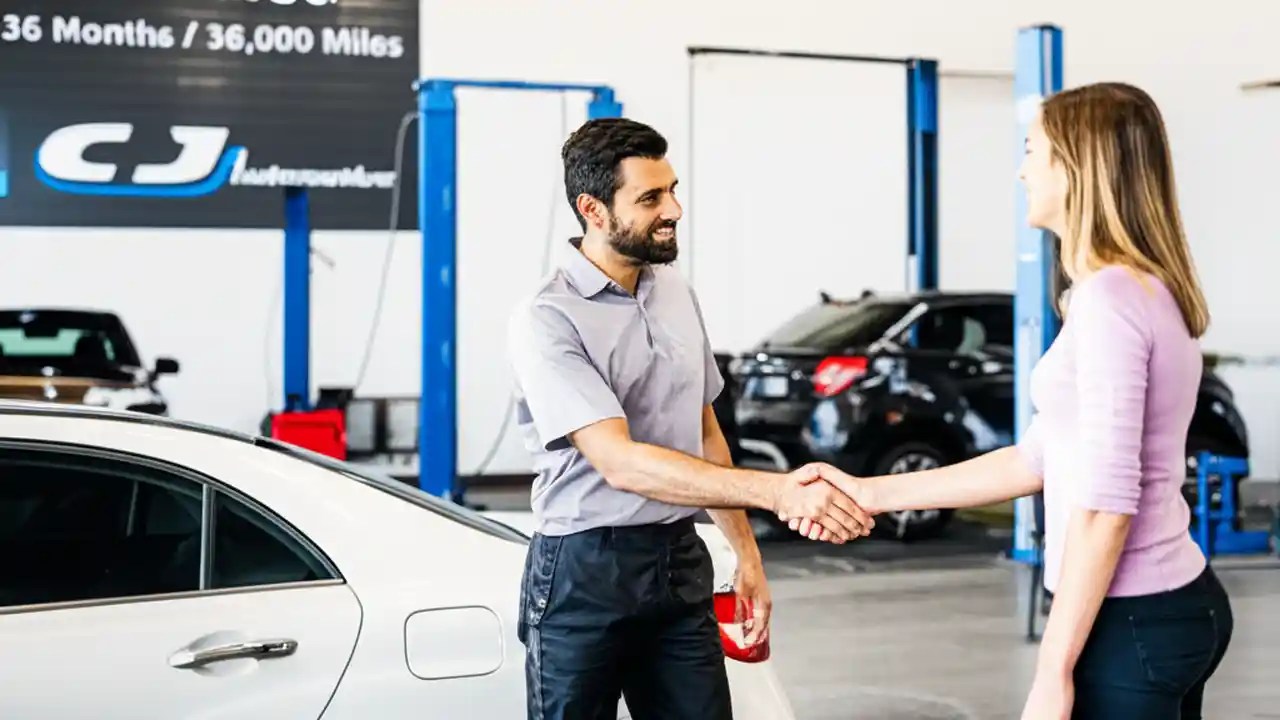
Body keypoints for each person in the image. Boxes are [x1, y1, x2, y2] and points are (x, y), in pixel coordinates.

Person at [784, 82, 1234, 719]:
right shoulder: (1141, 290)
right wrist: (870, 493)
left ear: (1077, 168)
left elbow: (1107, 505)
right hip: (1164, 605)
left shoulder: (1110, 299)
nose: (1022, 171)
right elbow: (1037, 459)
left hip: (1128, 619)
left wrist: (1052, 672)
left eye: (1031, 151)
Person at [506, 117, 874, 720]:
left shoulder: (675, 291)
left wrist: (746, 554)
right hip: (584, 569)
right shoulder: (547, 318)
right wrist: (777, 492)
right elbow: (620, 463)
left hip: (679, 557)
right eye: (650, 198)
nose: (673, 210)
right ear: (593, 210)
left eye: (673, 190)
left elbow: (705, 432)